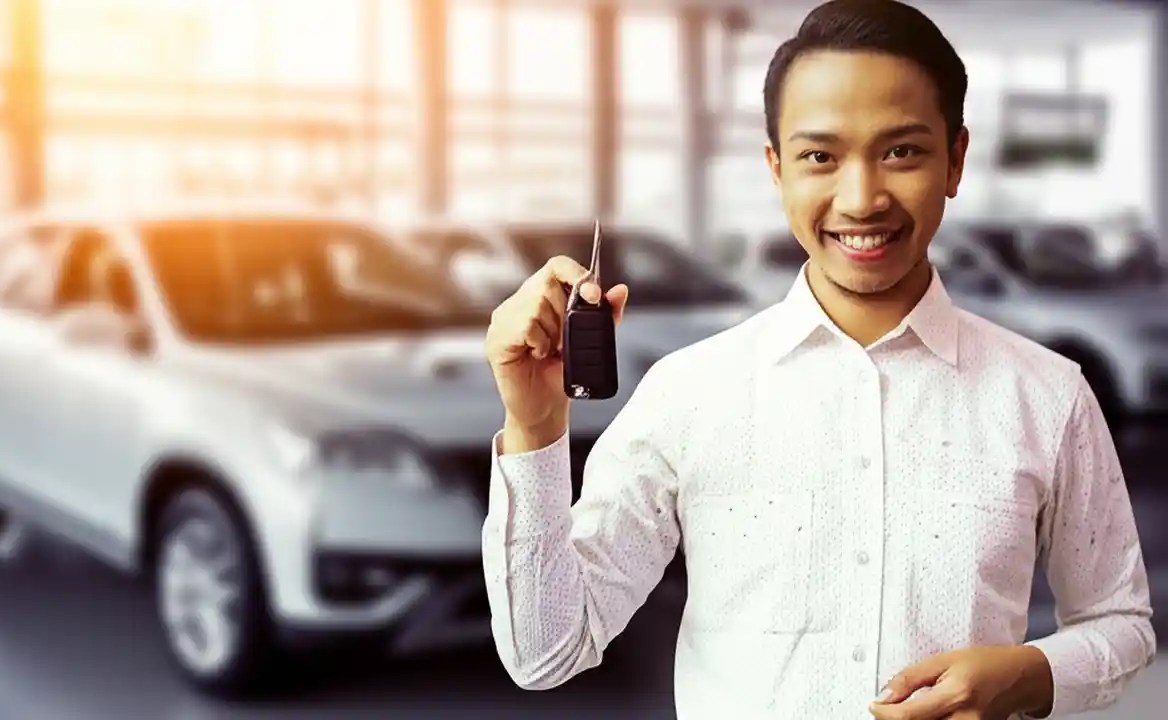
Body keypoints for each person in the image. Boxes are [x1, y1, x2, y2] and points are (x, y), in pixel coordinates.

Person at [480, 0, 1156, 718]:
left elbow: (1122, 624)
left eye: (901, 151)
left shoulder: (1047, 396)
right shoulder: (690, 393)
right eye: (820, 157)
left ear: (956, 160)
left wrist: (1027, 674)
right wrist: (534, 427)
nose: (861, 199)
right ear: (776, 169)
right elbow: (546, 653)